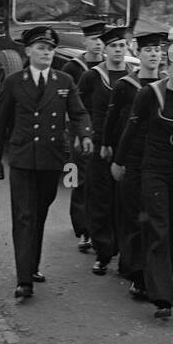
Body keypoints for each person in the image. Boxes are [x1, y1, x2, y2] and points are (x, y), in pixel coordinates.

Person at [0, 27, 92, 300]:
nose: (46, 53)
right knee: (24, 217)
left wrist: (85, 134)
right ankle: (24, 280)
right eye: (40, 48)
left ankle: (31, 265)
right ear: (28, 51)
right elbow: (2, 121)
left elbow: (78, 113)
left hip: (50, 159)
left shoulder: (64, 81)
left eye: (50, 49)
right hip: (23, 159)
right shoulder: (14, 82)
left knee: (38, 213)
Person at [113, 45, 173, 322]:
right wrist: (119, 161)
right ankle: (162, 297)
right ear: (168, 69)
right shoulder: (150, 94)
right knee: (158, 226)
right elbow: (132, 129)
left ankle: (151, 278)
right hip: (153, 169)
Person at [102, 30, 167, 300]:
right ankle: (134, 269)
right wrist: (108, 146)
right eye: (148, 50)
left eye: (157, 50)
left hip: (158, 158)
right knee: (133, 214)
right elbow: (112, 118)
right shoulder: (126, 85)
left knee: (153, 216)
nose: (154, 54)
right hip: (132, 156)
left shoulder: (167, 84)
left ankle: (148, 269)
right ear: (138, 54)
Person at [79, 25, 131, 274]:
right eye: (113, 46)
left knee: (124, 201)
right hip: (99, 145)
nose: (118, 50)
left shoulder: (133, 76)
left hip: (125, 146)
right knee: (100, 199)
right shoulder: (92, 76)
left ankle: (124, 252)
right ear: (106, 50)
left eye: (122, 45)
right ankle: (103, 252)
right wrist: (83, 135)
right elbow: (79, 109)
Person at [63, 21, 106, 252]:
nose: (98, 44)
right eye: (93, 39)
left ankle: (99, 227)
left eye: (101, 39)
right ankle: (82, 228)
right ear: (84, 41)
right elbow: (68, 104)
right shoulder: (73, 68)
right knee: (80, 178)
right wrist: (76, 133)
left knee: (100, 181)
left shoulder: (109, 66)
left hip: (102, 129)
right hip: (80, 129)